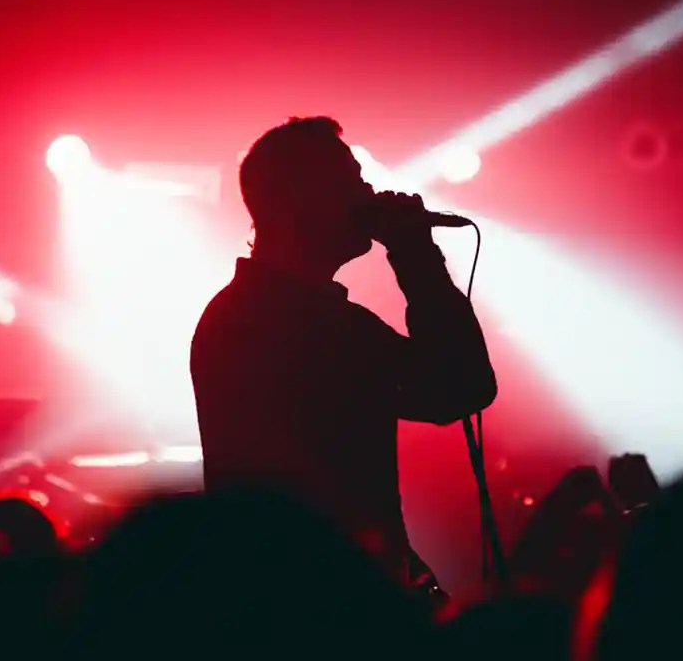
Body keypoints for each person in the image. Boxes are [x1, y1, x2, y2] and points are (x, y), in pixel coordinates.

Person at [190, 116, 497, 589]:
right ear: (297, 201)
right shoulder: (295, 320)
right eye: (349, 182)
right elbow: (459, 386)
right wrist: (415, 253)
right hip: (321, 602)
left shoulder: (263, 311)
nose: (367, 193)